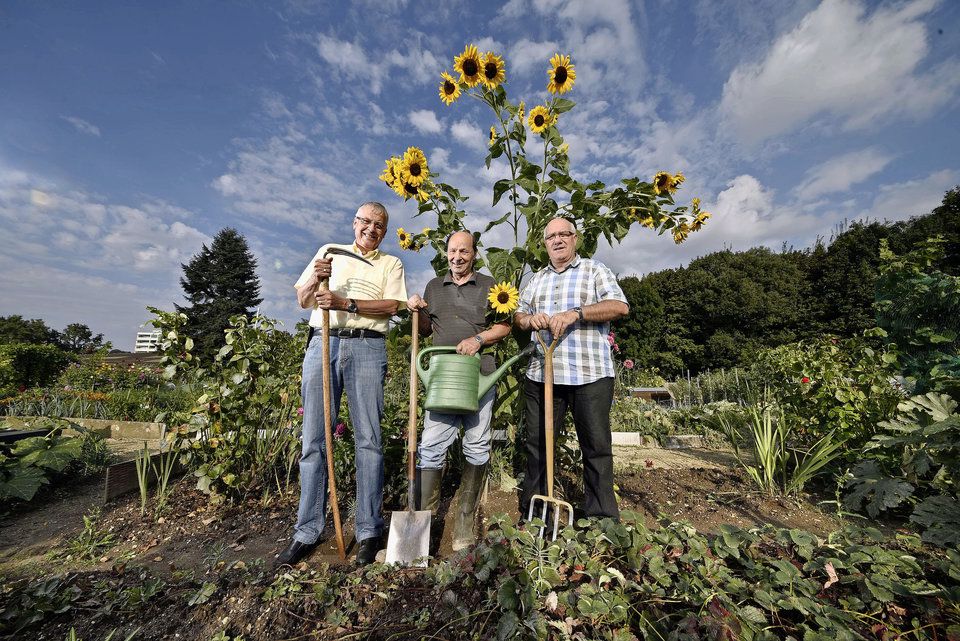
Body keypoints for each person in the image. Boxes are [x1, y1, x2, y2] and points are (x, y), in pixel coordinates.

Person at [277, 202, 407, 567]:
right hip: (324, 342)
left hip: (367, 346)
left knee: (370, 439)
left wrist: (344, 302)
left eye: (378, 225)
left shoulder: (390, 263)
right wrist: (316, 279)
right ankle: (306, 531)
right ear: (354, 223)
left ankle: (368, 531)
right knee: (314, 440)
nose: (371, 229)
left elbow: (392, 306)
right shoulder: (328, 253)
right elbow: (304, 300)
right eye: (365, 221)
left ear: (384, 231)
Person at [513, 217, 629, 521]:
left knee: (596, 446)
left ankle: (601, 519)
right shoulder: (537, 279)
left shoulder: (594, 270)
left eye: (564, 234)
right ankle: (536, 514)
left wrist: (576, 313)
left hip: (589, 374)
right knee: (538, 445)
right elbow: (519, 315)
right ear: (545, 243)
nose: (558, 240)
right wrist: (529, 320)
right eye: (551, 236)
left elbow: (619, 306)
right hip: (542, 374)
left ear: (575, 238)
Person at [406, 230, 511, 550]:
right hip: (443, 378)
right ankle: (421, 530)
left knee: (477, 445)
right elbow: (425, 330)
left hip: (480, 376)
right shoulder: (434, 286)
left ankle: (464, 522)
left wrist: (478, 339)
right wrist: (417, 310)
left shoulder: (490, 286)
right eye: (453, 251)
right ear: (446, 253)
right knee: (431, 447)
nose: (457, 257)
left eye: (464, 251)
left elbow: (504, 326)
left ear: (474, 254)